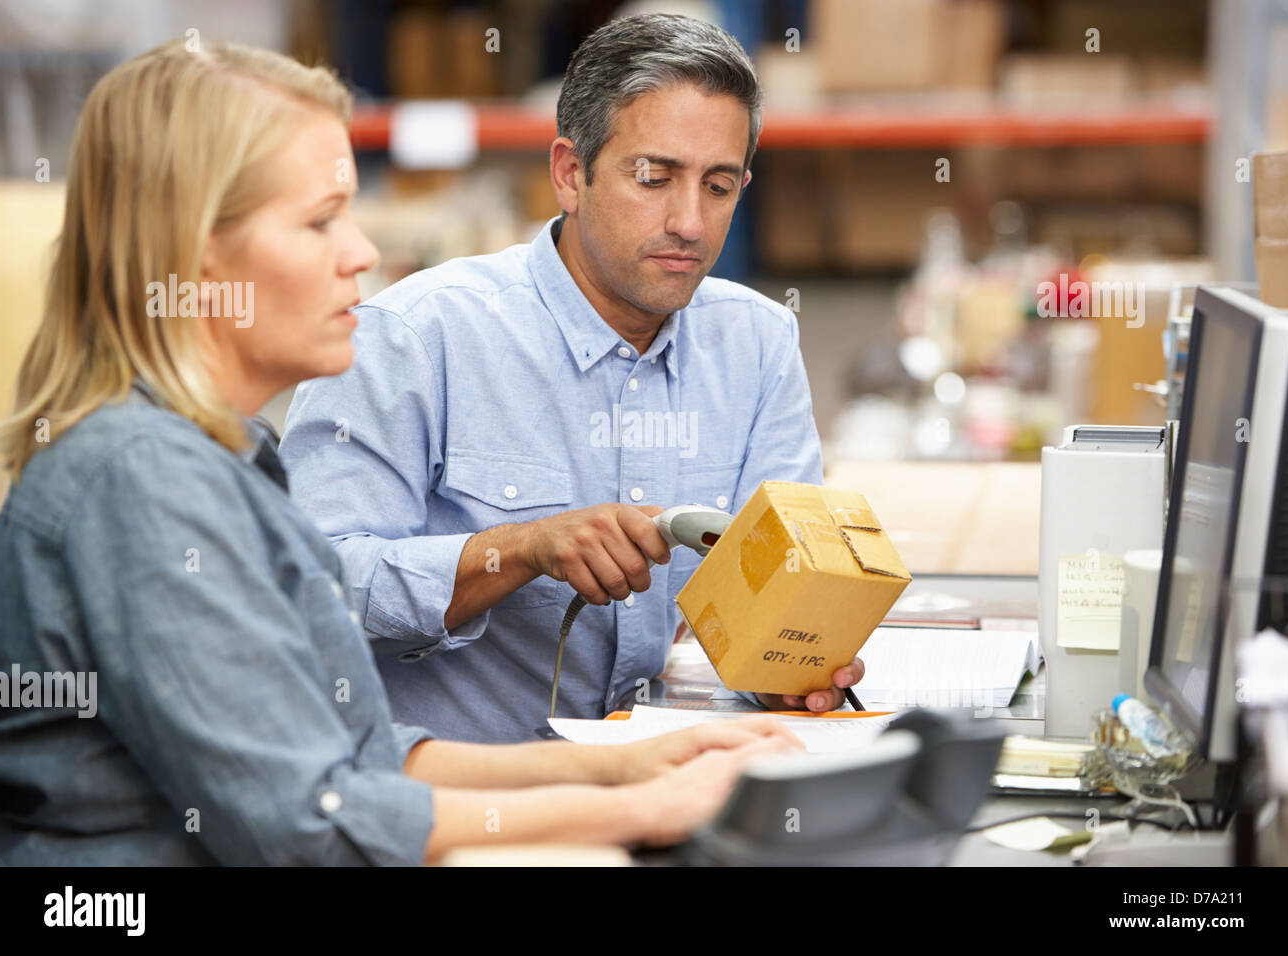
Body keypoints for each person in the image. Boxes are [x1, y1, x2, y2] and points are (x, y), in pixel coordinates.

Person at [0, 37, 800, 866]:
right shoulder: (143, 484)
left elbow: (361, 751)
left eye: (721, 184)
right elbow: (311, 820)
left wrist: (624, 769)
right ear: (194, 254)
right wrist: (642, 807)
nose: (365, 253)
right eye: (319, 222)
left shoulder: (225, 463)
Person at [279, 13, 865, 744]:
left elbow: (778, 605)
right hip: (460, 814)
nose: (689, 220)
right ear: (569, 173)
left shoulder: (758, 343)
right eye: (653, 178)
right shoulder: (415, 338)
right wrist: (519, 551)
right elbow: (309, 588)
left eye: (718, 187)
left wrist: (787, 669)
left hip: (659, 788)